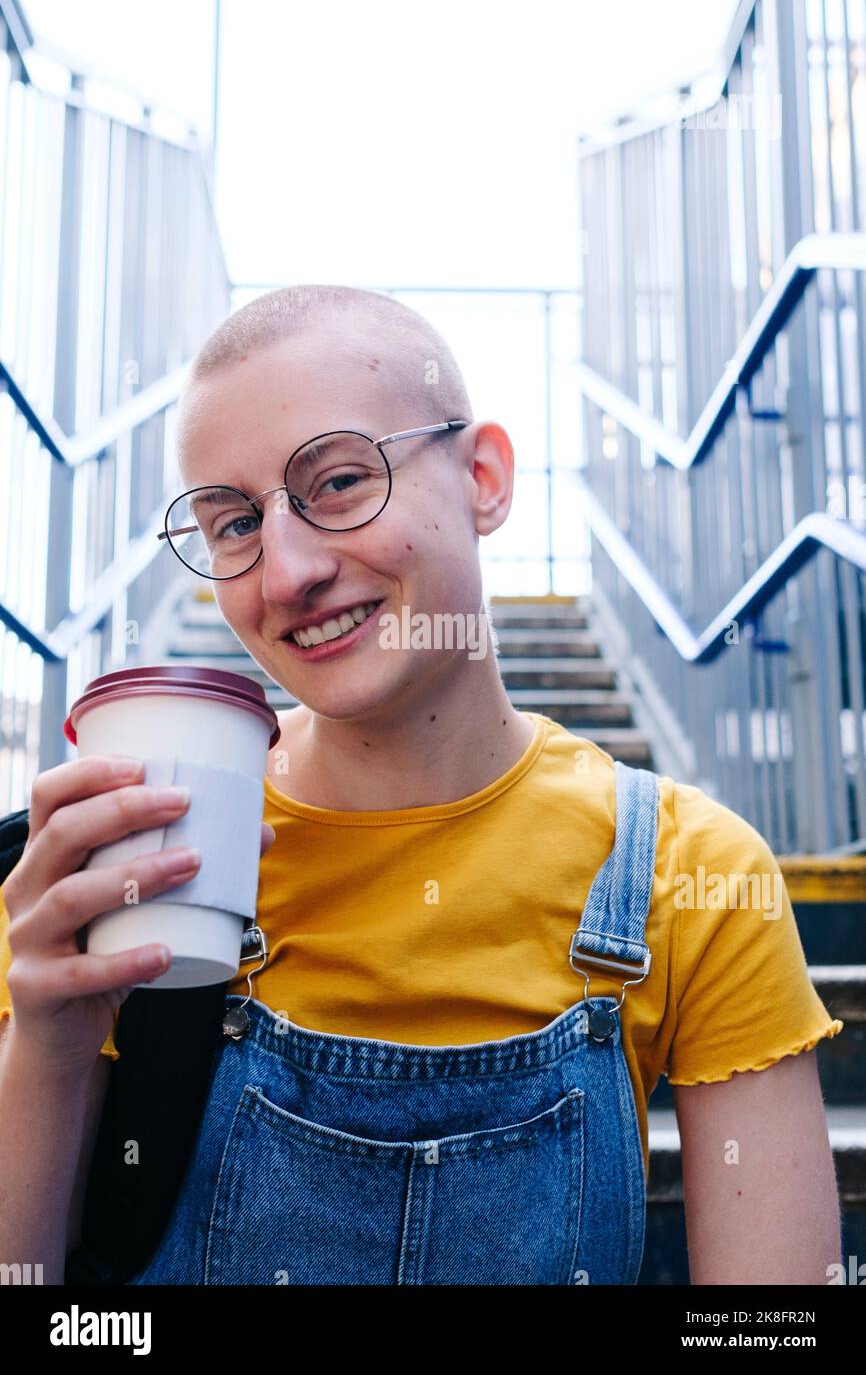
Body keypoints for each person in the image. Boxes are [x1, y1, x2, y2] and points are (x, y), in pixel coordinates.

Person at [0, 285, 844, 1285]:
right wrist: (46, 1044)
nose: (286, 573)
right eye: (233, 525)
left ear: (483, 477)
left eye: (341, 480)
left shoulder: (688, 873)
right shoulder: (122, 859)